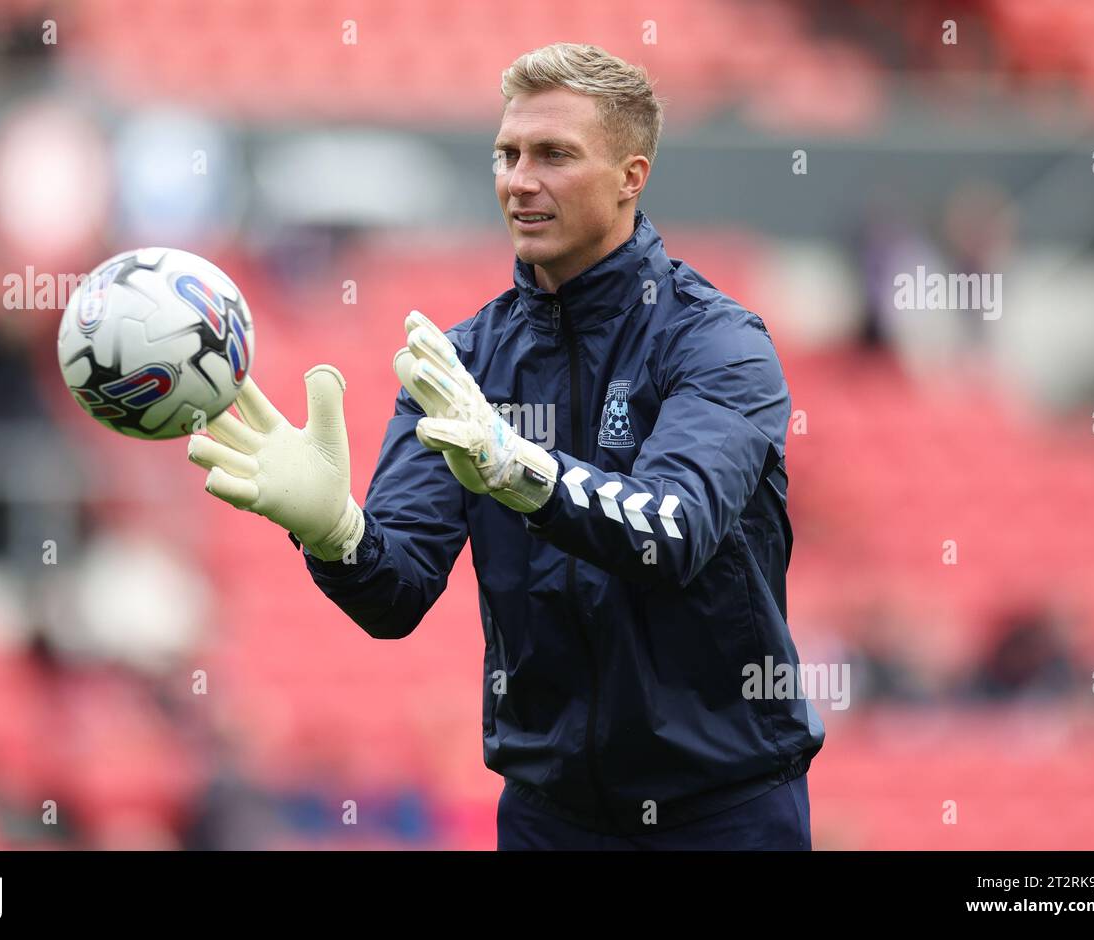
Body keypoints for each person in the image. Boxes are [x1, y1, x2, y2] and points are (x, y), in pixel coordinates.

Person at [188, 43, 823, 850]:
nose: (520, 180)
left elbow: (673, 531)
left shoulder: (719, 344)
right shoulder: (463, 364)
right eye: (508, 154)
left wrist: (519, 469)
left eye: (554, 155)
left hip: (725, 812)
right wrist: (335, 535)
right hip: (547, 817)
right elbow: (397, 596)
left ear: (632, 175)